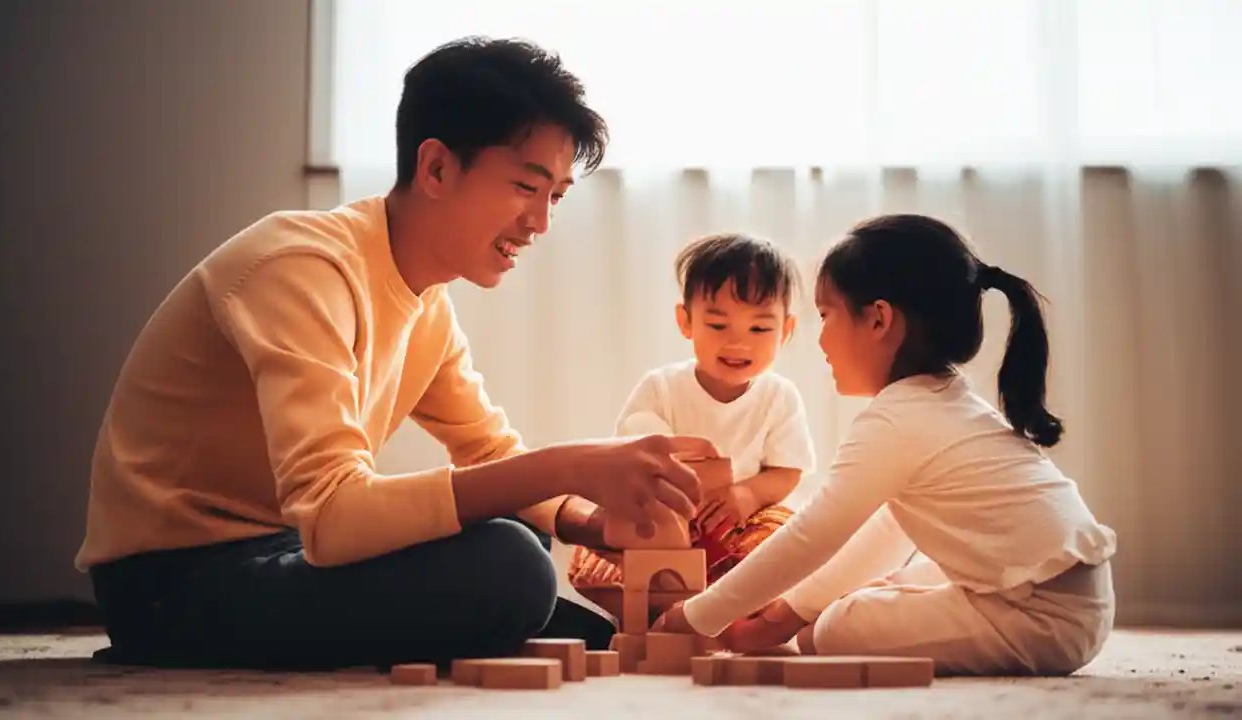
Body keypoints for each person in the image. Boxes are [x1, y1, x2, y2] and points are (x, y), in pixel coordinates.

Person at [76, 36, 716, 670]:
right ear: (436, 167)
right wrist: (571, 466)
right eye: (527, 186)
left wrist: (595, 526)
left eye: (556, 196)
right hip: (173, 583)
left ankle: (507, 611)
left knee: (525, 540)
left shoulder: (426, 303)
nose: (541, 223)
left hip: (283, 551)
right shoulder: (299, 268)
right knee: (511, 566)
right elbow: (333, 515)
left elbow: (490, 452)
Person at [653, 214, 1117, 676]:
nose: (820, 339)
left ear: (877, 320)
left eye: (825, 315)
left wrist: (698, 616)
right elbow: (893, 528)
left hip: (1042, 619)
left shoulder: (896, 420)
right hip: (1070, 601)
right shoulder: (944, 399)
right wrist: (788, 609)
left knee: (828, 631)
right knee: (858, 595)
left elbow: (813, 534)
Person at [570, 234, 816, 590]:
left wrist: (746, 495)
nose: (738, 342)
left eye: (760, 328)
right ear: (686, 321)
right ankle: (654, 605)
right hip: (664, 518)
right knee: (605, 540)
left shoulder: (779, 396)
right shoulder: (660, 388)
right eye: (718, 325)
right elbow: (633, 461)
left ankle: (731, 602)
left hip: (739, 523)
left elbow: (787, 471)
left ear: (786, 331)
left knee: (784, 537)